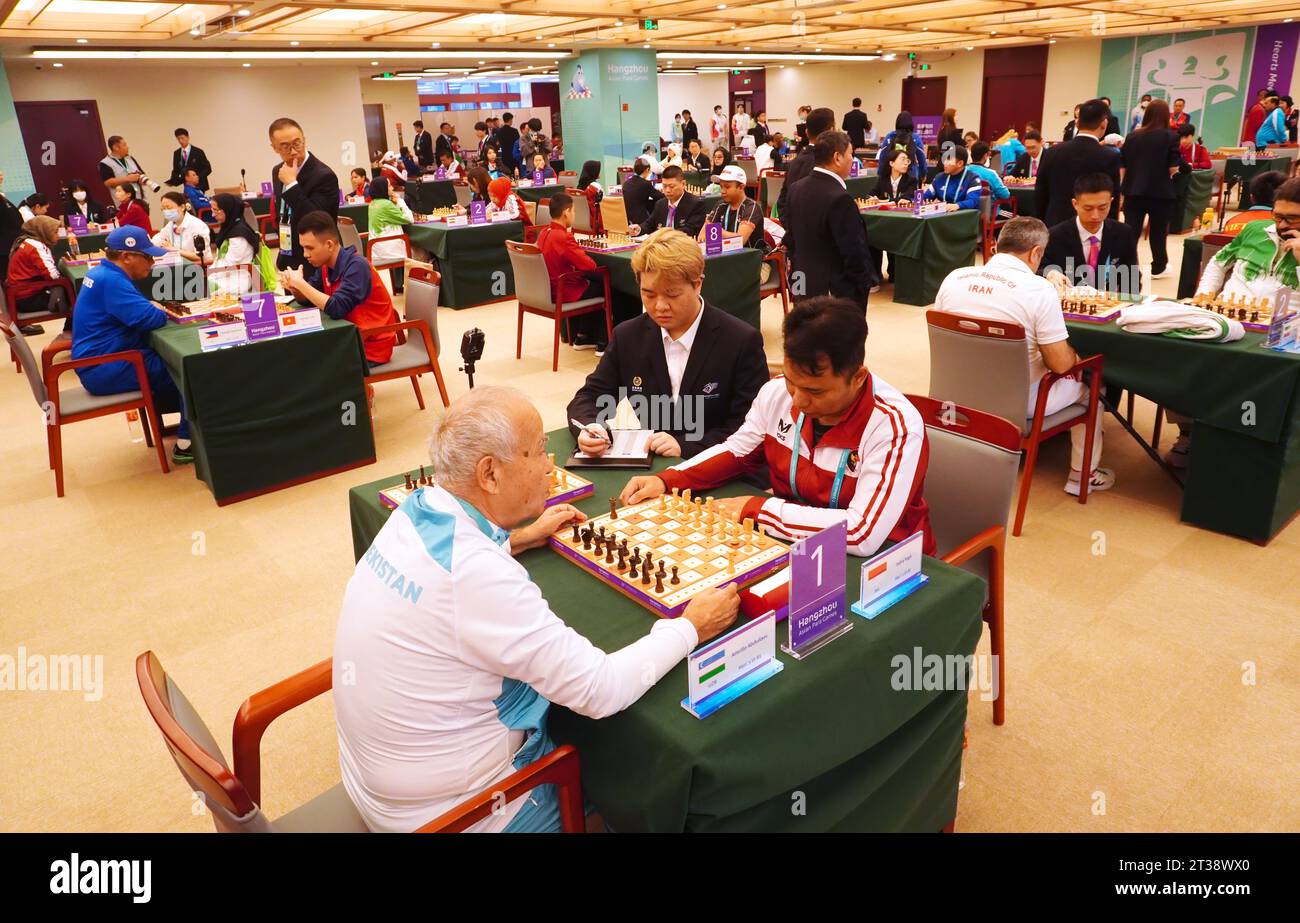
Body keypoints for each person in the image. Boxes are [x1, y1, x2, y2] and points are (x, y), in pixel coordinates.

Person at [335, 384, 739, 833]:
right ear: (489, 474)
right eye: (539, 452)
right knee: (636, 787)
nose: (550, 465)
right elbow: (600, 691)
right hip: (457, 815)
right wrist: (688, 628)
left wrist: (521, 537)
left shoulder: (416, 510)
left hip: (380, 786)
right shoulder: (479, 578)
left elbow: (452, 579)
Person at [619, 296, 932, 556]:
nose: (798, 401)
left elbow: (861, 534)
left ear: (858, 377)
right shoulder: (777, 392)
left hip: (885, 562)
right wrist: (668, 479)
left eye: (815, 391)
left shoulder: (895, 426)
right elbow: (736, 452)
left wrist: (759, 510)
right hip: (790, 540)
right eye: (793, 383)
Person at [935, 217, 1112, 496]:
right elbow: (1061, 364)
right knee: (1093, 389)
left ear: (995, 247)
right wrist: (1077, 357)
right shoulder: (1039, 290)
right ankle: (1082, 476)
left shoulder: (954, 278)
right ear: (1035, 253)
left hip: (956, 395)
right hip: (1020, 404)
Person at [567, 227, 768, 460]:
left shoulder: (740, 341)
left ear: (697, 284)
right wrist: (591, 427)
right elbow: (589, 396)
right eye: (649, 295)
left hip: (717, 469)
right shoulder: (628, 336)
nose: (660, 306)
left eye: (672, 294)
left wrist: (687, 446)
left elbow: (751, 428)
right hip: (652, 470)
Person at [71, 226, 193, 463]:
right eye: (147, 257)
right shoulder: (111, 280)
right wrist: (156, 308)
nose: (152, 263)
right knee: (190, 371)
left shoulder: (103, 274)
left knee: (175, 362)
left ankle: (192, 425)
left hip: (106, 359)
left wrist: (151, 307)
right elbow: (151, 318)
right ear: (126, 256)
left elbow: (138, 311)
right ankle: (187, 443)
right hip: (107, 366)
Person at [278, 211, 398, 365]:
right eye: (303, 248)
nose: (305, 254)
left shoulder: (357, 266)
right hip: (348, 338)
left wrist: (301, 283)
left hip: (370, 347)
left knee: (306, 363)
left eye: (310, 248)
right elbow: (307, 300)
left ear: (329, 245)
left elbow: (337, 308)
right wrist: (295, 287)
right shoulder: (326, 266)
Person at [784, 132, 875, 307]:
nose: (852, 159)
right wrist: (861, 287)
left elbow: (792, 237)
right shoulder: (840, 198)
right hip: (833, 291)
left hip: (801, 279)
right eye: (850, 154)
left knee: (804, 329)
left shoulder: (796, 188)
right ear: (837, 158)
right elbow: (854, 252)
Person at [1040, 173, 1141, 297]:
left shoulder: (1123, 233)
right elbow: (1039, 270)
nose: (1095, 215)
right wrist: (1050, 273)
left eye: (1102, 208)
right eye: (1088, 208)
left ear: (1111, 202)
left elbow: (1132, 278)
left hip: (1109, 303)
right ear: (1075, 204)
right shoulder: (1055, 235)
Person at [533, 191, 606, 353]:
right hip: (564, 292)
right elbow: (590, 266)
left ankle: (583, 336)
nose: (574, 214)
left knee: (592, 283)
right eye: (573, 211)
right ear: (566, 213)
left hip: (547, 290)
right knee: (606, 284)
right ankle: (602, 341)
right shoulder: (563, 237)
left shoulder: (543, 233)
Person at [1035, 98, 1121, 229]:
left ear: (1078, 123)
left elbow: (1040, 194)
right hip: (1092, 226)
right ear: (1104, 123)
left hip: (1055, 223)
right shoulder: (1109, 156)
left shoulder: (1052, 152)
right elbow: (1112, 199)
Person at [268, 116, 340, 271]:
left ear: (304, 140)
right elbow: (284, 214)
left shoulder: (324, 175)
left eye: (297, 143)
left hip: (318, 262)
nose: (293, 151)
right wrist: (283, 254)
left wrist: (292, 185)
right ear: (274, 148)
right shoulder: (278, 171)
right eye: (285, 146)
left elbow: (318, 221)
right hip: (289, 256)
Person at [1122, 98, 1181, 279]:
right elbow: (1173, 167)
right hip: (1160, 192)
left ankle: (1128, 269)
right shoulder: (1171, 136)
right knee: (1158, 232)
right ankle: (1158, 267)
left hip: (1133, 190)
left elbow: (1123, 165)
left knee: (1131, 232)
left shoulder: (1132, 136)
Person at [5, 216, 70, 328]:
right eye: (55, 232)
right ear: (44, 232)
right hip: (28, 298)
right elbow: (53, 275)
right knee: (76, 294)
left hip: (21, 294)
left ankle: (68, 331)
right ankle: (71, 332)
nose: (58, 236)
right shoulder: (36, 246)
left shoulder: (26, 241)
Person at [701, 165, 767, 272]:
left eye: (727, 187)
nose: (722, 191)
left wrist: (716, 231)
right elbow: (702, 235)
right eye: (721, 186)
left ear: (741, 187)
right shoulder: (720, 205)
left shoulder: (752, 207)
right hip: (725, 260)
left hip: (752, 263)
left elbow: (740, 240)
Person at [776, 106, 835, 219]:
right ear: (831, 130)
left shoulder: (795, 161)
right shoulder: (825, 162)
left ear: (806, 132)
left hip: (795, 228)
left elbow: (782, 201)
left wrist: (792, 229)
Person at [206, 193, 263, 295]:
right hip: (225, 274)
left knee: (199, 288)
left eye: (216, 210)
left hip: (237, 279)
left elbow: (230, 263)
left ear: (228, 210)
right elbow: (221, 260)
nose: (213, 215)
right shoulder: (229, 227)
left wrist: (208, 273)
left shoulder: (239, 234)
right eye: (212, 210)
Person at [629, 165, 707, 238]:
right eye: (664, 186)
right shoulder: (660, 203)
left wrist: (663, 235)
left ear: (683, 184)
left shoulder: (696, 204)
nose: (667, 190)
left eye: (671, 186)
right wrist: (639, 228)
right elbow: (649, 224)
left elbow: (690, 230)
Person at [367, 176, 414, 293]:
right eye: (388, 185)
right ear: (382, 188)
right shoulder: (385, 205)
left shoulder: (373, 204)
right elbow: (409, 219)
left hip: (378, 249)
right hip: (388, 251)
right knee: (422, 252)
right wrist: (400, 200)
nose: (392, 187)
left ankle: (400, 285)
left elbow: (394, 217)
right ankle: (415, 291)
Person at [150, 191, 210, 261]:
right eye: (163, 209)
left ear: (182, 207)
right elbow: (158, 239)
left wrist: (174, 249)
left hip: (195, 267)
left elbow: (201, 256)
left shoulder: (198, 226)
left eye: (168, 208)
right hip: (178, 264)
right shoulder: (171, 224)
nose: (166, 211)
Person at [926, 145, 982, 210]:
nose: (944, 163)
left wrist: (958, 205)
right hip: (941, 217)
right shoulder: (939, 177)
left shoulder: (972, 179)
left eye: (949, 159)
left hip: (963, 218)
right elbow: (926, 197)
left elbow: (973, 201)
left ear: (960, 163)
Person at [877, 112, 928, 181]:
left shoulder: (890, 136)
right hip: (911, 174)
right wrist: (923, 174)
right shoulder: (915, 137)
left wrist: (880, 173)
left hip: (893, 174)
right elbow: (921, 158)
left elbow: (883, 156)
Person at [98, 135, 151, 201]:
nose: (127, 147)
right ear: (116, 147)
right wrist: (127, 179)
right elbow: (108, 182)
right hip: (124, 202)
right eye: (124, 145)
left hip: (141, 199)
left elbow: (142, 173)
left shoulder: (130, 158)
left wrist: (142, 178)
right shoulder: (105, 163)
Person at [621, 157, 664, 228]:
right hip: (641, 220)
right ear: (647, 169)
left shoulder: (626, 183)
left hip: (628, 219)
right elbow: (659, 196)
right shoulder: (645, 184)